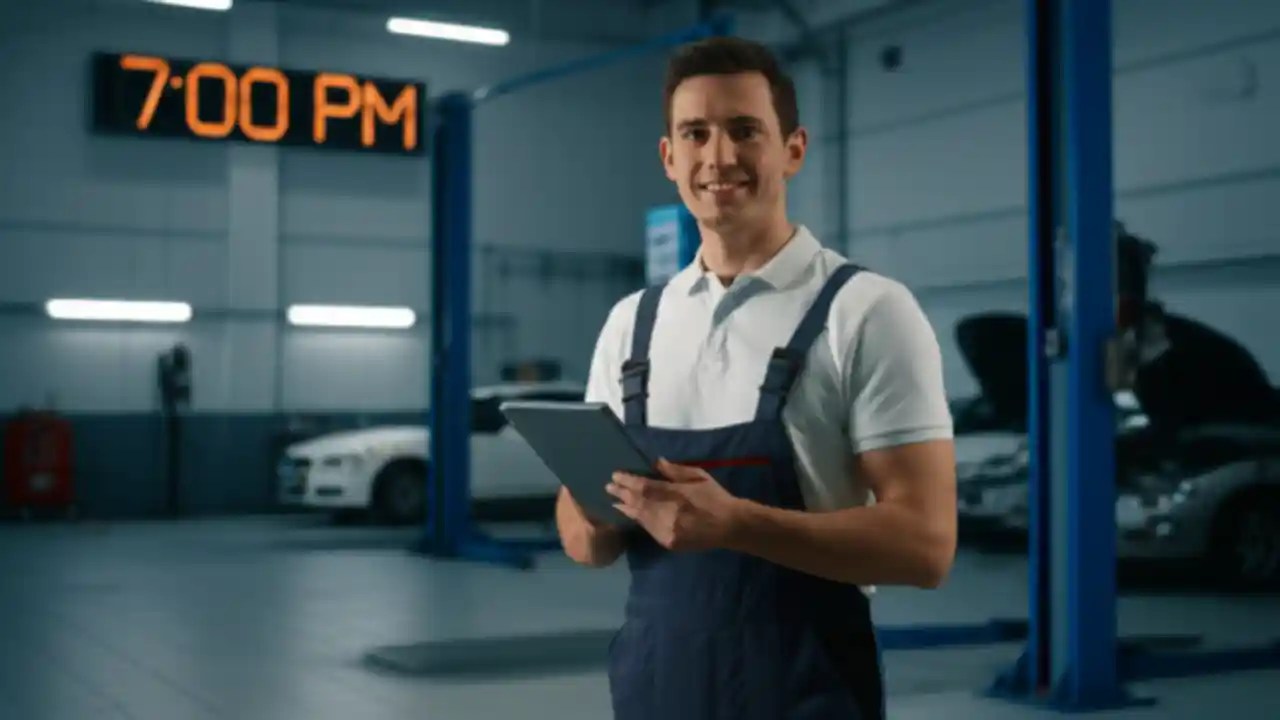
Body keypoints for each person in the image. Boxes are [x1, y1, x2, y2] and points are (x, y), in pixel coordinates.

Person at [555, 35, 957, 720]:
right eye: (696, 134)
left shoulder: (865, 312)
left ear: (792, 150)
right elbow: (582, 538)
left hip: (806, 694)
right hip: (657, 690)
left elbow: (926, 546)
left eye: (744, 130)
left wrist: (738, 523)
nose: (718, 158)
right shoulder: (632, 325)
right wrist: (594, 518)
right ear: (669, 157)